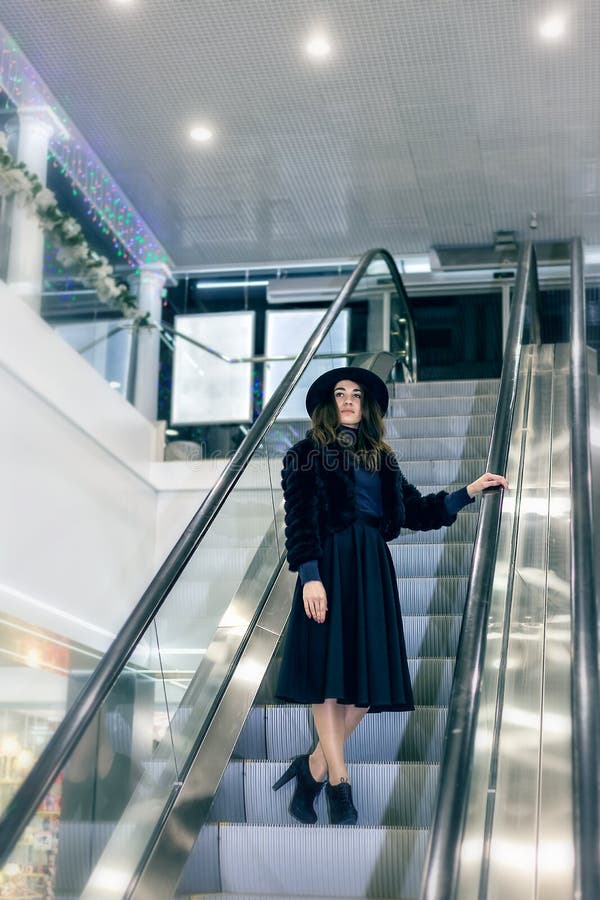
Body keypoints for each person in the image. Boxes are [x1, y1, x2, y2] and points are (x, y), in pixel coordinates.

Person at [272, 366, 508, 826]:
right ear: (327, 404)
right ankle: (339, 781)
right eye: (339, 394)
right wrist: (311, 576)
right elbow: (299, 523)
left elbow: (417, 511)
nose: (347, 400)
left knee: (363, 688)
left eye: (355, 395)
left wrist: (468, 492)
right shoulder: (305, 455)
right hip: (330, 565)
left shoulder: (383, 459)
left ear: (366, 407)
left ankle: (312, 767)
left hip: (371, 571)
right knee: (328, 676)